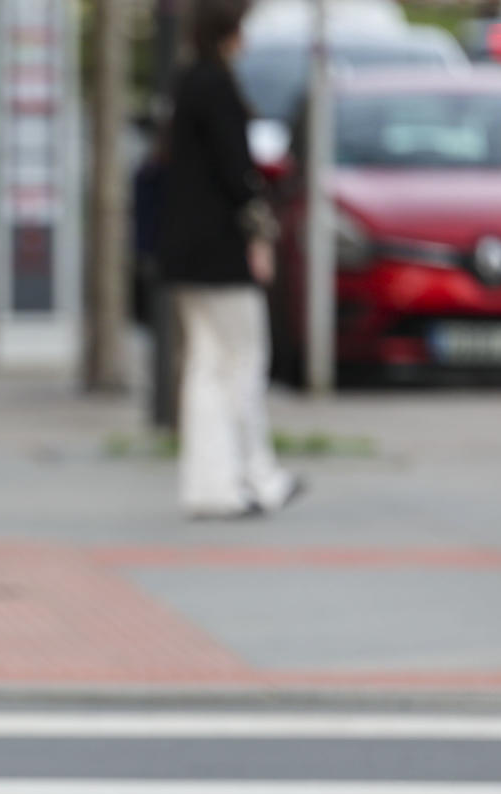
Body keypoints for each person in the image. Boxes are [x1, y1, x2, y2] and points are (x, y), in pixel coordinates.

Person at [158, 0, 303, 520]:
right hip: (220, 251)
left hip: (182, 253)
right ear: (229, 32)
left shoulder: (184, 85)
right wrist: (258, 232)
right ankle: (256, 474)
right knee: (243, 359)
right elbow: (236, 174)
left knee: (204, 365)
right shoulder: (218, 88)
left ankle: (206, 482)